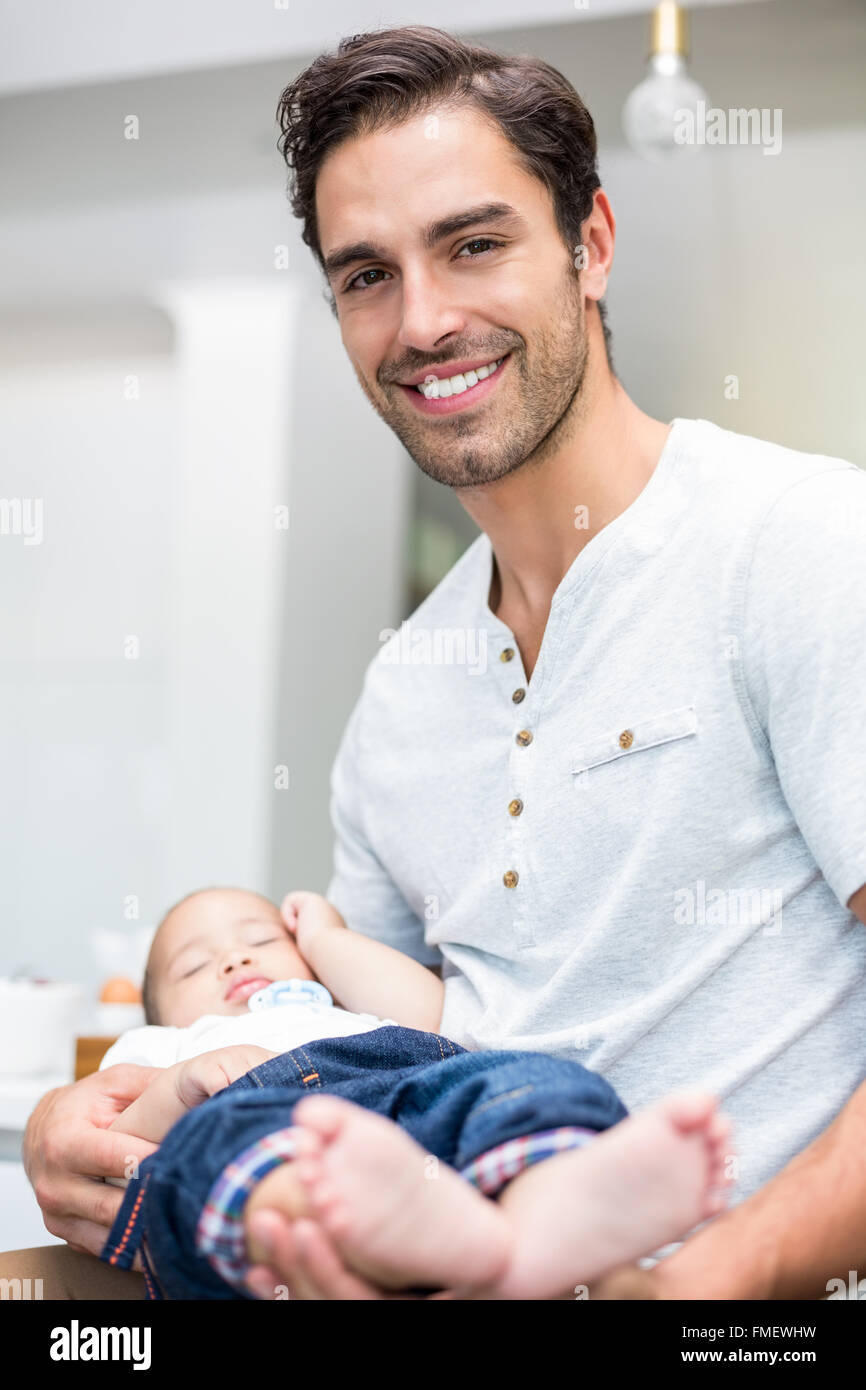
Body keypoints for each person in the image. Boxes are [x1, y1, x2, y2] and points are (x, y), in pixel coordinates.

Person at [8, 24, 866, 1301]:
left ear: (590, 244)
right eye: (365, 274)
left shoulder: (799, 544)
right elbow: (356, 1054)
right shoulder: (400, 692)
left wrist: (707, 1284)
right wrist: (81, 1124)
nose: (424, 320)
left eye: (473, 243)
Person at [96, 885, 730, 1299]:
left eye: (261, 940)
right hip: (271, 1122)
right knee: (196, 1154)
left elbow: (430, 1012)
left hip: (406, 1092)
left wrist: (324, 940)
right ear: (158, 1012)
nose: (234, 960)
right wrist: (180, 1087)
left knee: (512, 1077)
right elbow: (122, 1132)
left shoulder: (344, 1003)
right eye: (194, 966)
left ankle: (546, 1209)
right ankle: (366, 1227)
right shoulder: (164, 1044)